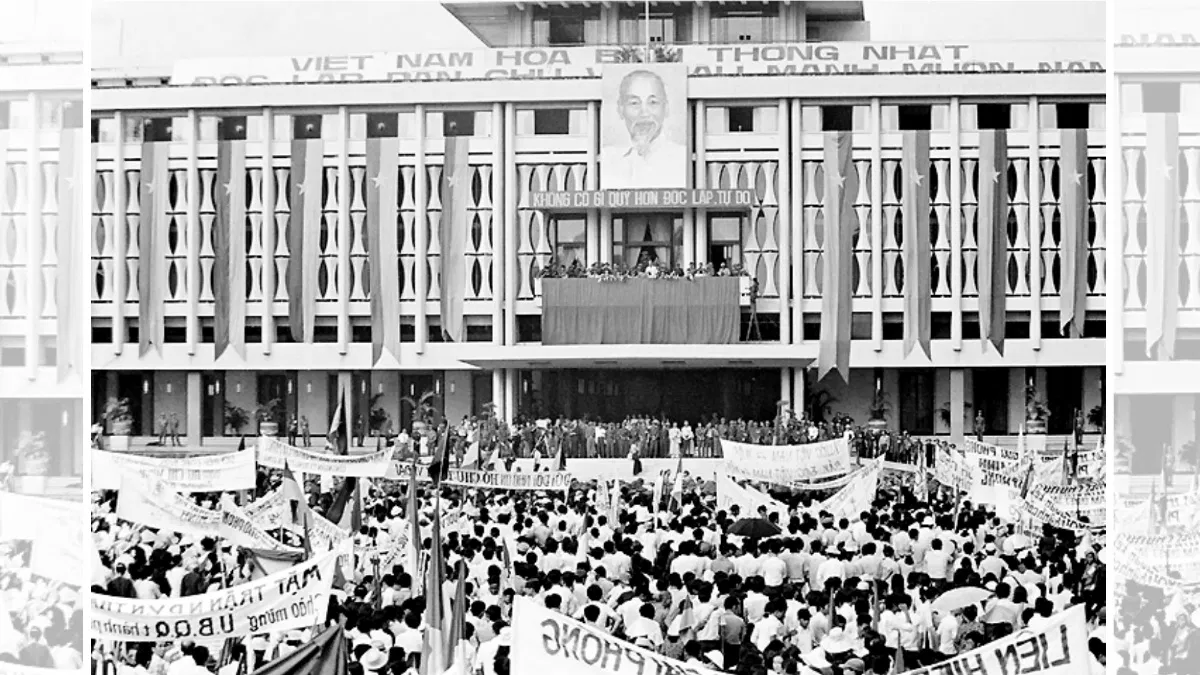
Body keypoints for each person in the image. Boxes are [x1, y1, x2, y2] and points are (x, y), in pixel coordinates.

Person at [600, 69, 687, 189]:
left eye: (653, 102)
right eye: (634, 103)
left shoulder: (682, 158)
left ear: (666, 108)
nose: (644, 113)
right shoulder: (607, 159)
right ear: (620, 109)